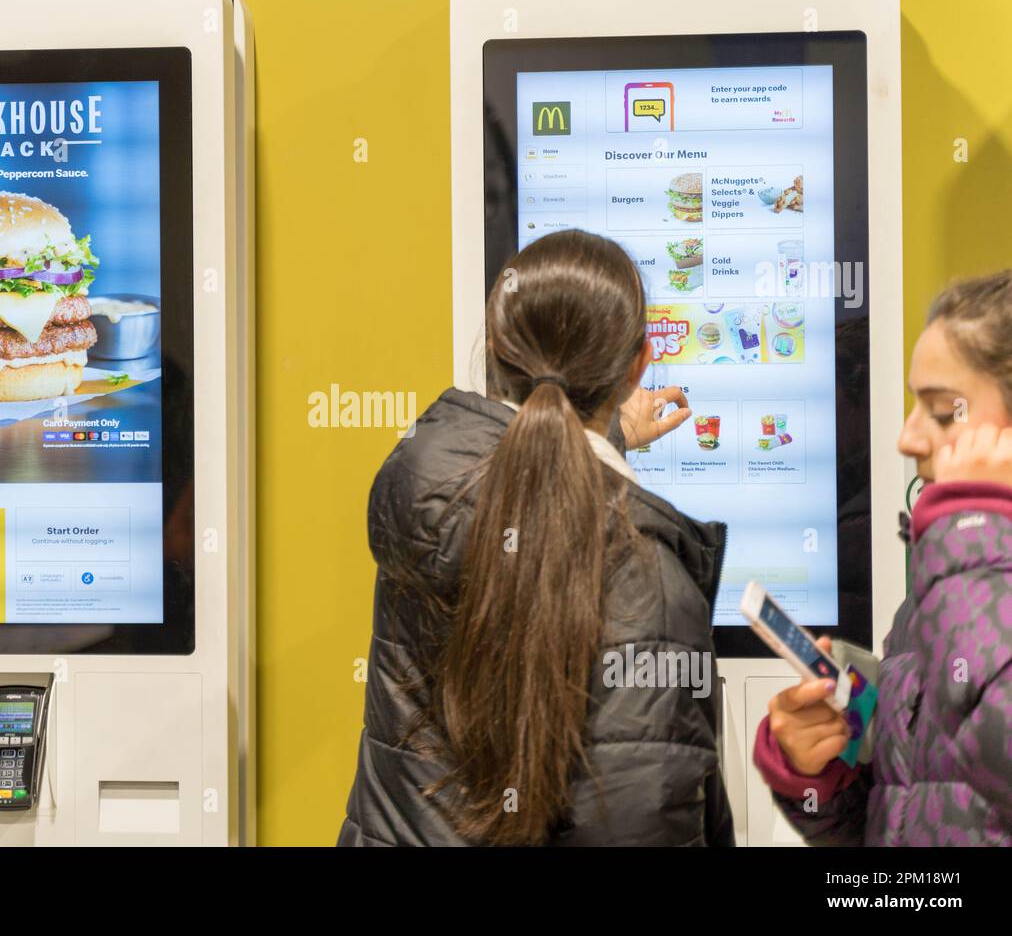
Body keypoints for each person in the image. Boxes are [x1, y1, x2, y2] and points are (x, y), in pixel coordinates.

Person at [337, 229, 734, 846]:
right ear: (638, 364)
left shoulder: (428, 492)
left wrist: (609, 436)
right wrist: (603, 438)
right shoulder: (645, 581)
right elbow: (636, 822)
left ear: (496, 348)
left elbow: (539, 462)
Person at [756, 270, 1012, 845]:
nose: (907, 437)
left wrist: (976, 533)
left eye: (944, 411)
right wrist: (816, 768)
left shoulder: (964, 573)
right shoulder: (935, 597)